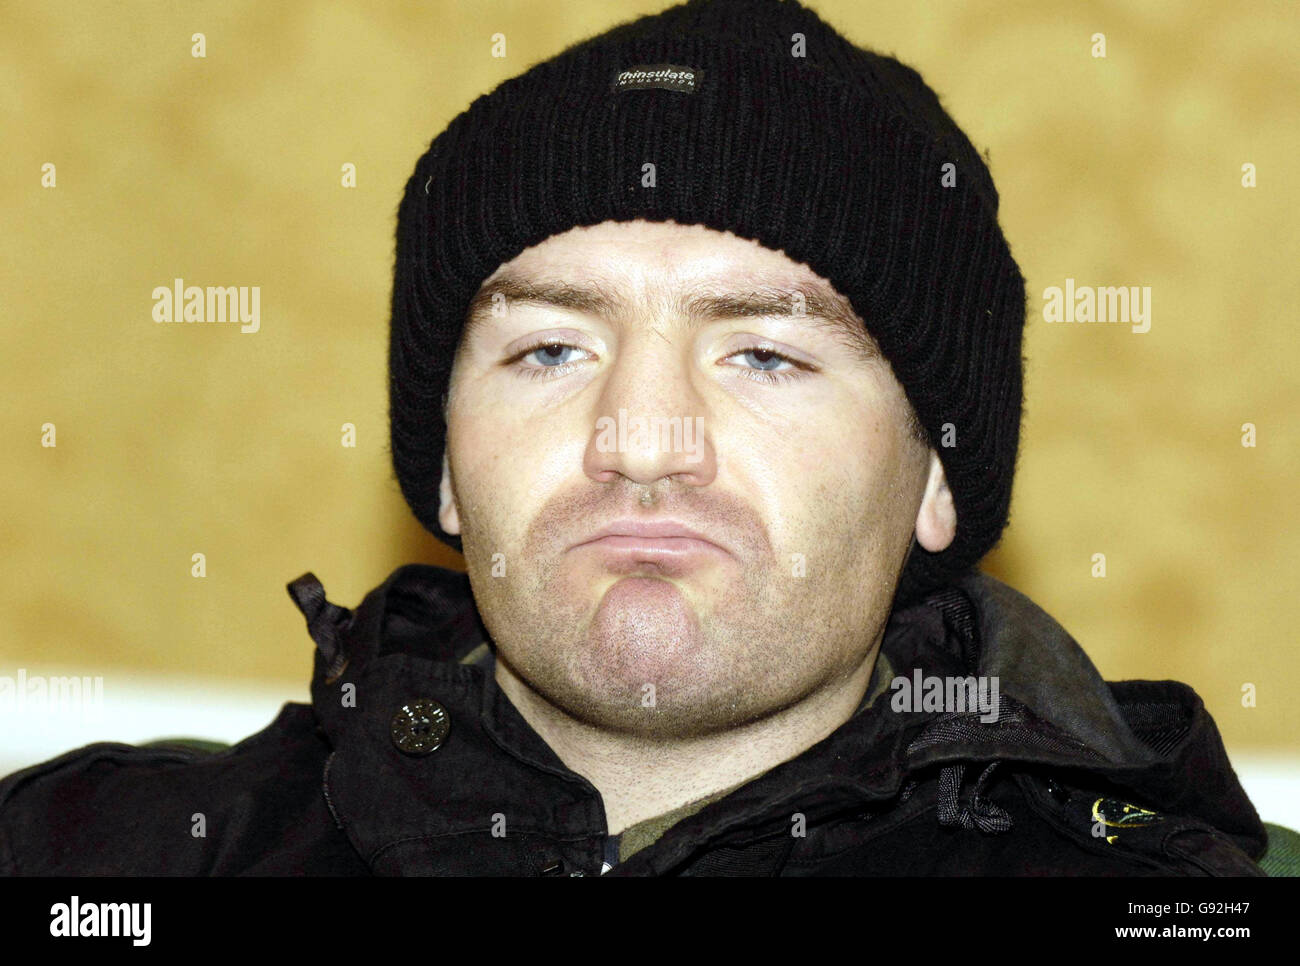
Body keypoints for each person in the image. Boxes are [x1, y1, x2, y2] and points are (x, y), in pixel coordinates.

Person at [0, 0, 1277, 876]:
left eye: (765, 354)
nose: (644, 439)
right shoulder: (94, 854)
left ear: (936, 475)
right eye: (549, 350)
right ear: (444, 461)